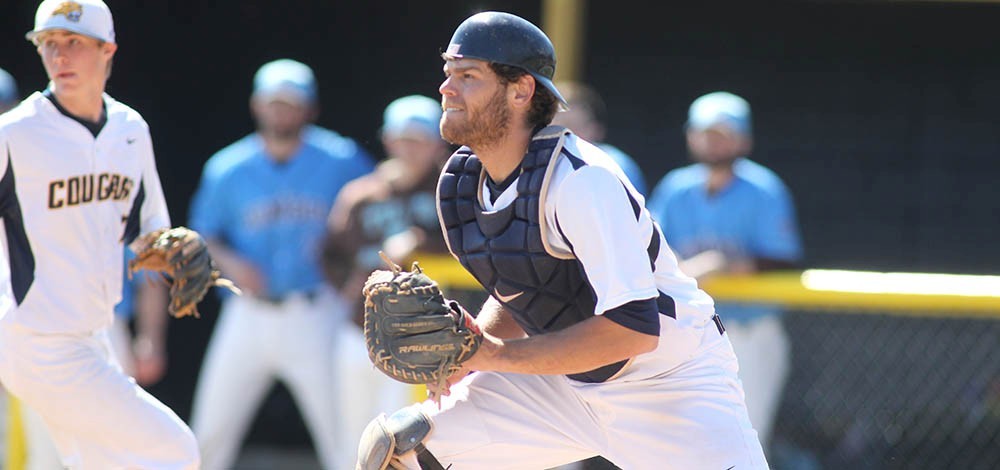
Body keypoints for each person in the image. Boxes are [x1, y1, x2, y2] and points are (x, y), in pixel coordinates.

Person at [355, 12, 768, 470]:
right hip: (561, 387)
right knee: (401, 449)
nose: (446, 89)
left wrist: (491, 354)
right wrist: (470, 351)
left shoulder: (581, 180)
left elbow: (634, 330)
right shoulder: (461, 184)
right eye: (448, 73)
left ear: (521, 91)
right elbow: (525, 286)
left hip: (669, 386)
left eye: (467, 75)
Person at [0, 1, 201, 468]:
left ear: (107, 49)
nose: (60, 56)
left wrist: (179, 252)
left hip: (95, 335)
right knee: (175, 449)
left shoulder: (130, 130)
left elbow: (150, 235)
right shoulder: (14, 134)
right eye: (49, 44)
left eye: (74, 42)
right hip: (37, 340)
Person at [187, 58, 375, 470]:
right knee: (208, 433)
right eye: (273, 102)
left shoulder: (341, 159)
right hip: (247, 313)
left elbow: (378, 214)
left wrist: (351, 278)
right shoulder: (227, 168)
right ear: (256, 104)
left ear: (311, 108)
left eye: (291, 102)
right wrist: (233, 263)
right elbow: (203, 233)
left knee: (344, 436)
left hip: (315, 309)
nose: (281, 110)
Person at [646, 91, 804, 454]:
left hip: (748, 332)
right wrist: (696, 268)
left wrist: (727, 265)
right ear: (690, 135)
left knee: (743, 440)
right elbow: (649, 251)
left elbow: (783, 260)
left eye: (723, 133)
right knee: (678, 441)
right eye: (706, 132)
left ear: (743, 140)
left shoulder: (764, 189)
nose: (713, 141)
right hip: (688, 330)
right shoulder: (675, 188)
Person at [321, 94, 452, 469]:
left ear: (436, 143)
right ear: (388, 140)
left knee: (400, 441)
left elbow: (472, 248)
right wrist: (345, 283)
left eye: (419, 140)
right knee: (351, 438)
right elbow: (329, 253)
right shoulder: (361, 194)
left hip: (415, 338)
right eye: (402, 139)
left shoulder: (450, 191)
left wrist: (421, 241)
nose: (409, 149)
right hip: (358, 329)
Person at [550, 81, 647, 195]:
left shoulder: (614, 167)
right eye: (555, 127)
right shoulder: (537, 162)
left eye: (574, 127)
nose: (564, 135)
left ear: (597, 130)